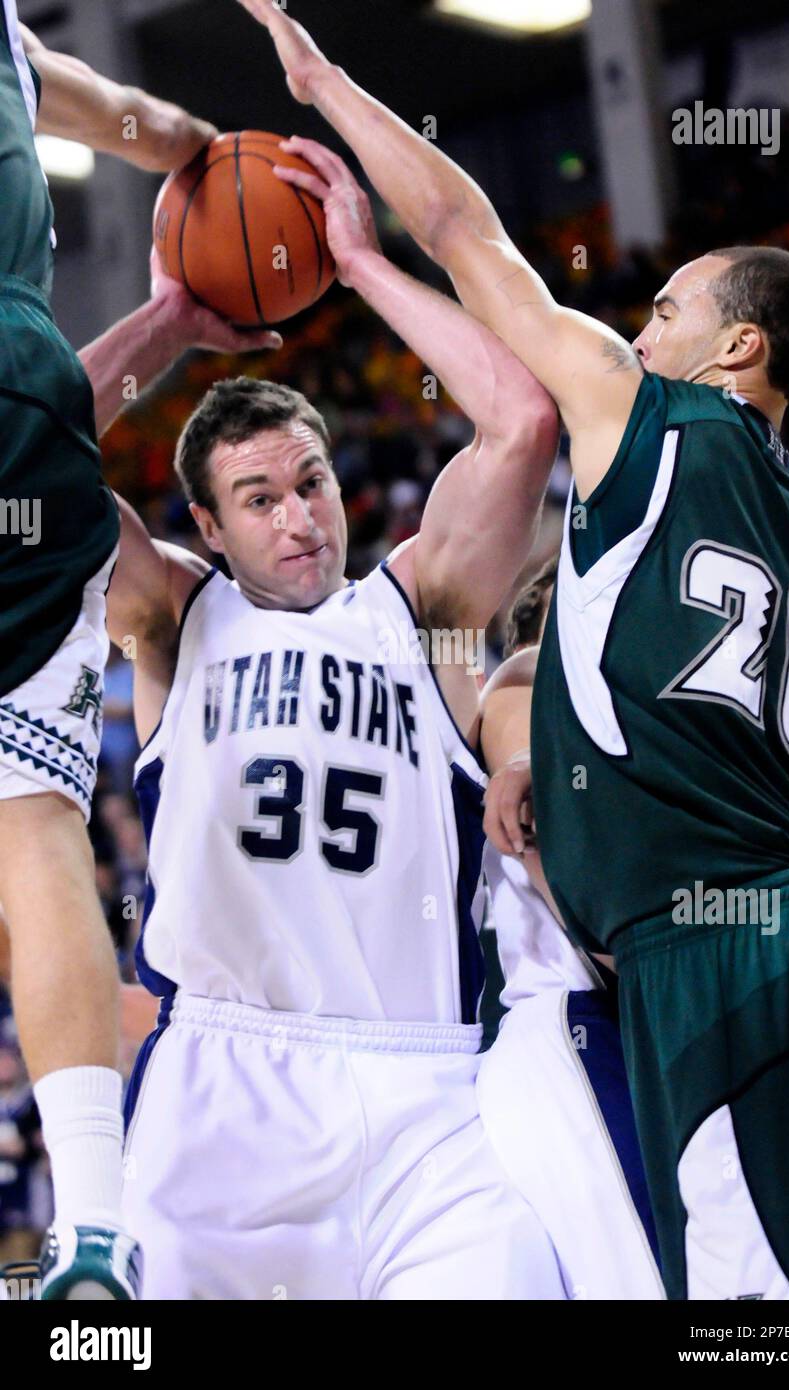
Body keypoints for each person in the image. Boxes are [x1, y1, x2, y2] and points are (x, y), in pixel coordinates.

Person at [240, 1, 789, 1300]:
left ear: (734, 347)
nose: (638, 330)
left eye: (669, 309)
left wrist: (325, 84)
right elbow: (630, 672)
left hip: (716, 958)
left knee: (748, 1315)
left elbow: (469, 235)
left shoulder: (648, 417)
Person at [107, 145, 565, 1299]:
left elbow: (518, 420)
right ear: (208, 528)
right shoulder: (173, 613)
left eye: (309, 481)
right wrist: (166, 322)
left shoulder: (424, 606)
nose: (300, 517)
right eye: (258, 500)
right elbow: (19, 459)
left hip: (425, 1091)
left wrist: (359, 263)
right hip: (221, 1091)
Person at [0, 1, 277, 1297]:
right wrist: (217, 184)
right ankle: (94, 1225)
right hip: (21, 393)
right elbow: (157, 130)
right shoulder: (12, 47)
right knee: (35, 825)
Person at [478, 559, 663, 1300]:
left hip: (614, 1028)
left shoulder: (635, 721)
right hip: (573, 1021)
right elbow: (551, 831)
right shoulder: (526, 678)